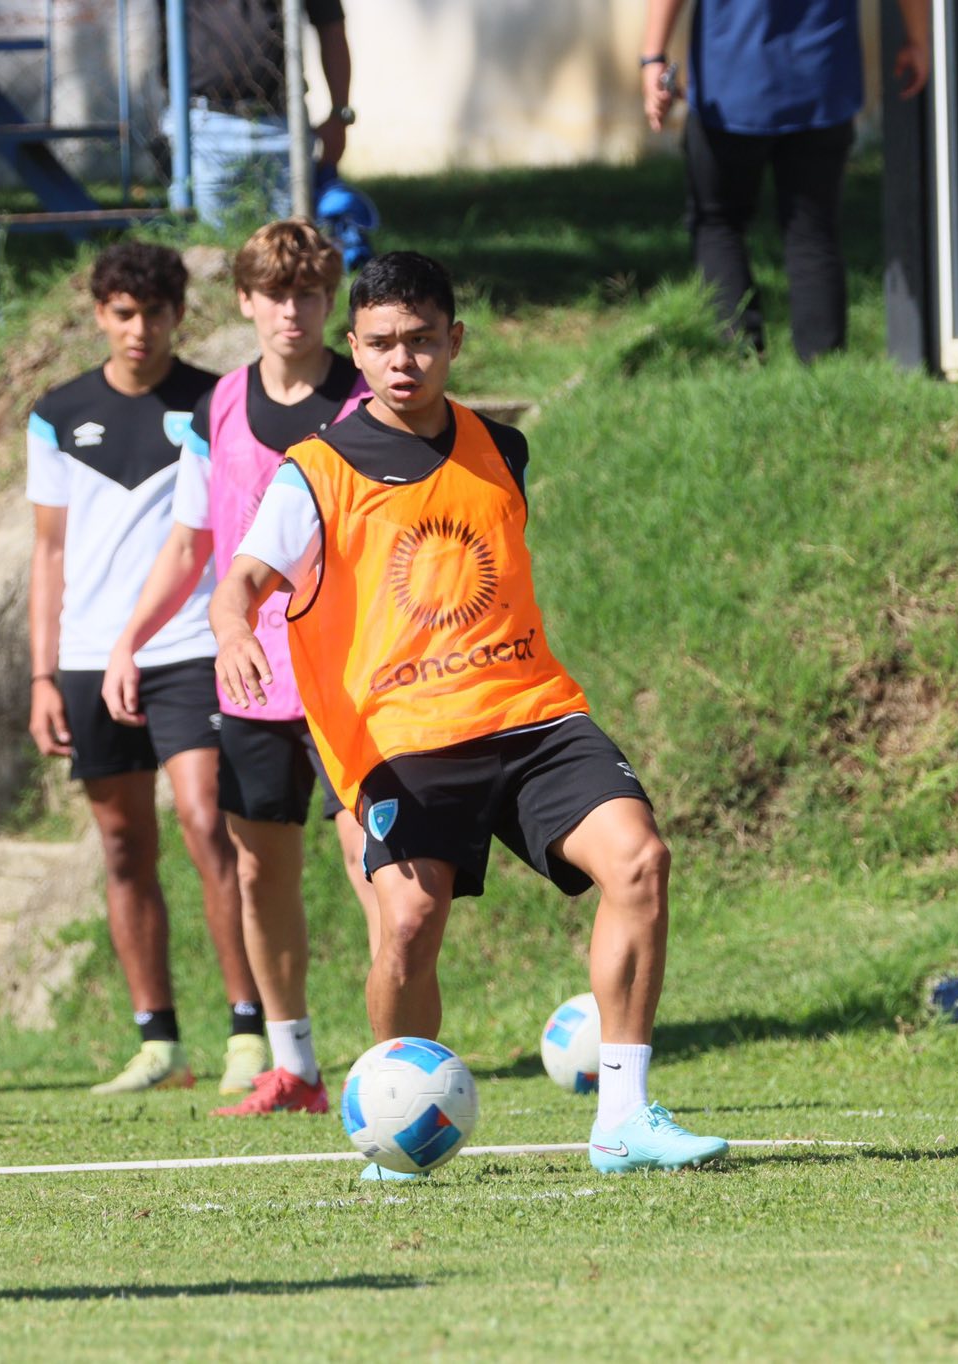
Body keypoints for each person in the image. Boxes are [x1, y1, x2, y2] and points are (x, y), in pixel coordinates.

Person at [210, 251, 729, 1177]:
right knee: (408, 923)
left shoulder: (503, 450)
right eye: (380, 345)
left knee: (639, 860)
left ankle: (623, 1118)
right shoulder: (314, 474)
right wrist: (232, 632)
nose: (403, 361)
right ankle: (391, 1126)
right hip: (403, 740)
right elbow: (243, 580)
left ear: (455, 340)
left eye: (421, 341)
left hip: (533, 715)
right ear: (355, 353)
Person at [101, 221, 379, 1117]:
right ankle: (292, 1065)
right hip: (252, 678)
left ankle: (393, 1057)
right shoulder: (219, 405)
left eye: (308, 295)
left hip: (351, 677)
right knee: (260, 869)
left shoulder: (365, 402)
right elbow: (191, 541)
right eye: (275, 294)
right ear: (246, 303)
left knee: (367, 859)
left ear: (328, 303)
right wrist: (129, 639)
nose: (291, 311)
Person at [27, 242, 266, 1095]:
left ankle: (250, 1028)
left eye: (155, 313)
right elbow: (48, 552)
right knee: (124, 844)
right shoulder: (57, 414)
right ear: (100, 315)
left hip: (190, 648)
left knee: (208, 823)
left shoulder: (214, 402)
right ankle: (158, 1040)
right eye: (123, 313)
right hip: (91, 658)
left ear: (179, 317)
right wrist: (44, 675)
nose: (139, 329)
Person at [639, 0, 931, 361]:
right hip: (821, 78)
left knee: (717, 222)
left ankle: (739, 359)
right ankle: (823, 369)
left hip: (731, 80)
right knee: (813, 232)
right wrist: (918, 39)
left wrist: (652, 57)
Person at [177, 0, 354, 227]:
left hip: (281, 125)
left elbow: (331, 27)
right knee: (205, 243)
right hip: (204, 123)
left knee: (291, 248)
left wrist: (339, 115)